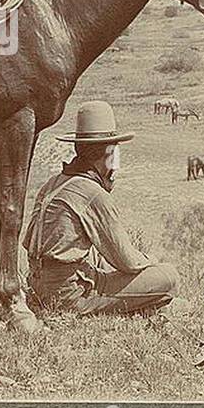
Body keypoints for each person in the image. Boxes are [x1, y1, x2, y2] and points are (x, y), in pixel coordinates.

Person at [23, 101, 181, 316]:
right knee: (169, 276)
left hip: (37, 285)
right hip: (69, 295)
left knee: (99, 258)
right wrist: (152, 263)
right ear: (109, 152)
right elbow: (127, 261)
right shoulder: (92, 193)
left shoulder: (53, 182)